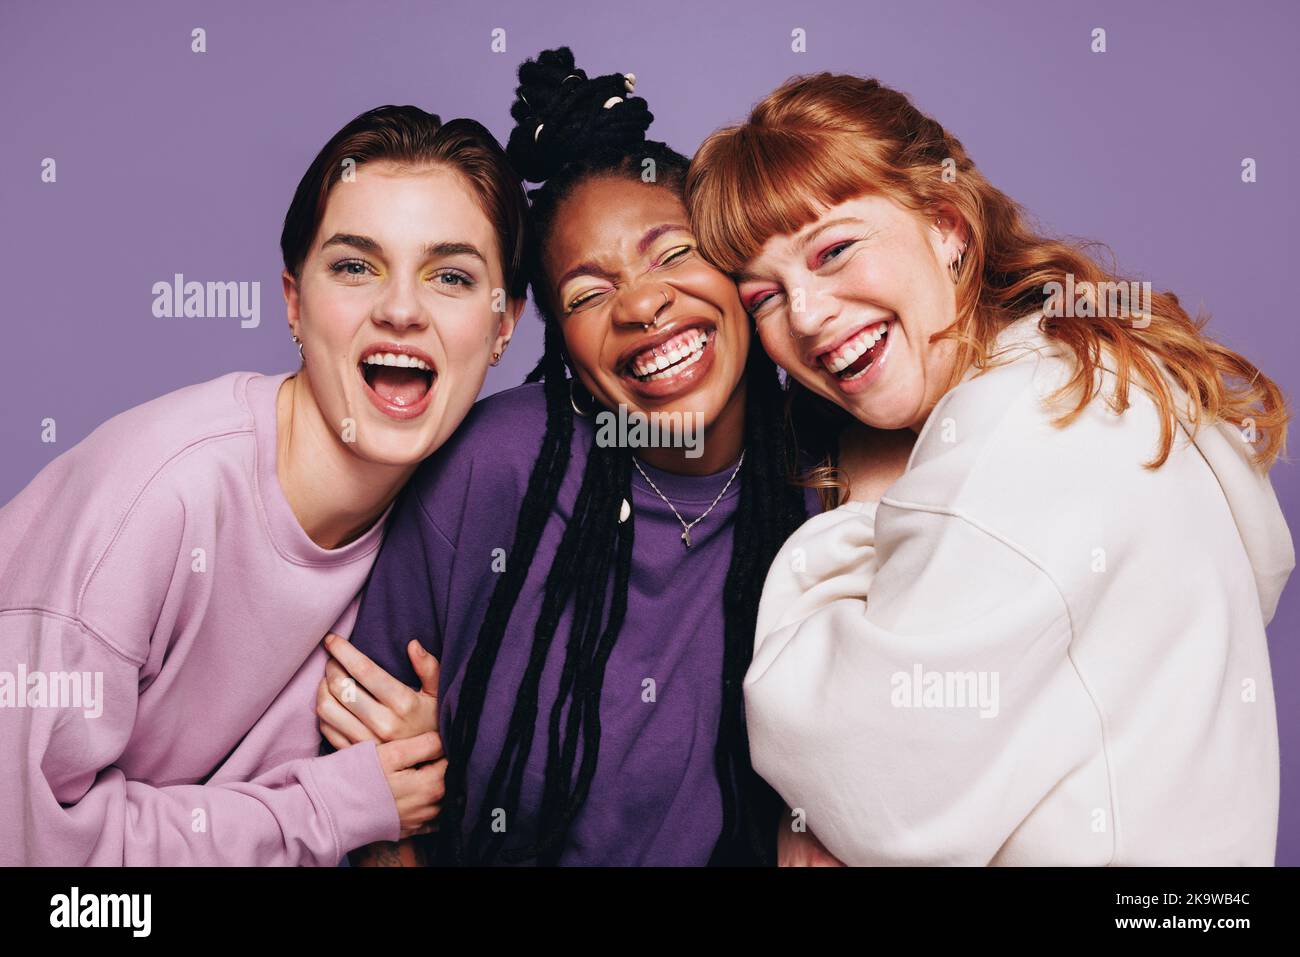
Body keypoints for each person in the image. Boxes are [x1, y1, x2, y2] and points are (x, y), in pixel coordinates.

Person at [685, 72, 1295, 865]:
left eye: (834, 250)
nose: (805, 315)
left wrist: (862, 515)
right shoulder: (1083, 375)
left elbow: (868, 780)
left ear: (947, 228)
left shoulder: (1027, 420)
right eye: (764, 296)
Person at [316, 47, 813, 866]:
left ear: (735, 263)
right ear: (559, 347)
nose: (644, 303)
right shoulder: (497, 464)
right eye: (587, 293)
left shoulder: (830, 478)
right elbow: (368, 787)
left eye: (674, 252)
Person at [0, 105, 527, 865]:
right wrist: (341, 804)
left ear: (504, 323)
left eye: (450, 275)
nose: (401, 309)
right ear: (293, 301)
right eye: (355, 265)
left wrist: (434, 755)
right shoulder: (158, 498)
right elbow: (40, 860)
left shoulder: (452, 525)